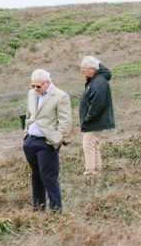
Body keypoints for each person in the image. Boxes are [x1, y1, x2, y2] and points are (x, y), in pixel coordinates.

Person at [23, 69, 71, 212]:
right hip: (30, 141)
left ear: (47, 82)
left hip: (47, 142)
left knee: (48, 176)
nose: (35, 88)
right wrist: (26, 133)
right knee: (36, 175)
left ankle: (56, 208)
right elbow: (29, 114)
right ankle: (38, 207)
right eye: (33, 85)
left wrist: (56, 139)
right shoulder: (32, 94)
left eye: (38, 86)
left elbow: (65, 121)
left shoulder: (60, 96)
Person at [79, 55, 115, 176]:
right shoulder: (99, 78)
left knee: (88, 144)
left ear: (92, 69)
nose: (82, 70)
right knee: (94, 144)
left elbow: (96, 106)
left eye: (84, 68)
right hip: (98, 120)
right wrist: (96, 61)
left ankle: (90, 171)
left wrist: (86, 119)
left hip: (94, 121)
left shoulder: (97, 83)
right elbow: (107, 71)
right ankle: (96, 170)